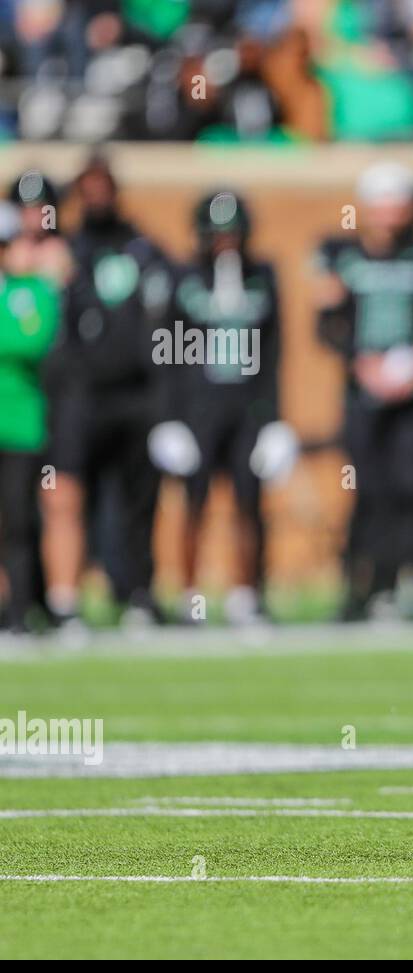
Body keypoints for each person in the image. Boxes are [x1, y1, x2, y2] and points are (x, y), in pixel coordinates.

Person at [314, 162, 413, 620]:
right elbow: (325, 324)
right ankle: (361, 588)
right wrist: (363, 364)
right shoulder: (341, 254)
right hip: (363, 393)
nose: (392, 216)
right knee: (367, 491)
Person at [43, 157, 172, 627]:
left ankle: (137, 593)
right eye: (88, 189)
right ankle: (66, 603)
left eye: (104, 188)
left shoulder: (141, 248)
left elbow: (170, 313)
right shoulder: (67, 251)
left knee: (140, 498)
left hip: (136, 396)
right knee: (71, 497)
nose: (97, 197)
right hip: (82, 395)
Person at [154, 191, 286, 625]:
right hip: (199, 407)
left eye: (233, 235)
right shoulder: (184, 278)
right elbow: (167, 350)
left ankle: (247, 594)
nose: (226, 243)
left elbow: (274, 352)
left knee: (249, 501)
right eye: (218, 235)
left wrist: (274, 420)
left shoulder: (262, 277)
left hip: (246, 406)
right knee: (193, 501)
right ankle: (191, 596)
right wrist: (169, 417)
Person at [0, 202, 60, 632]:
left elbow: (33, 339)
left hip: (20, 424)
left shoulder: (31, 291)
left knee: (19, 519)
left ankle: (22, 607)